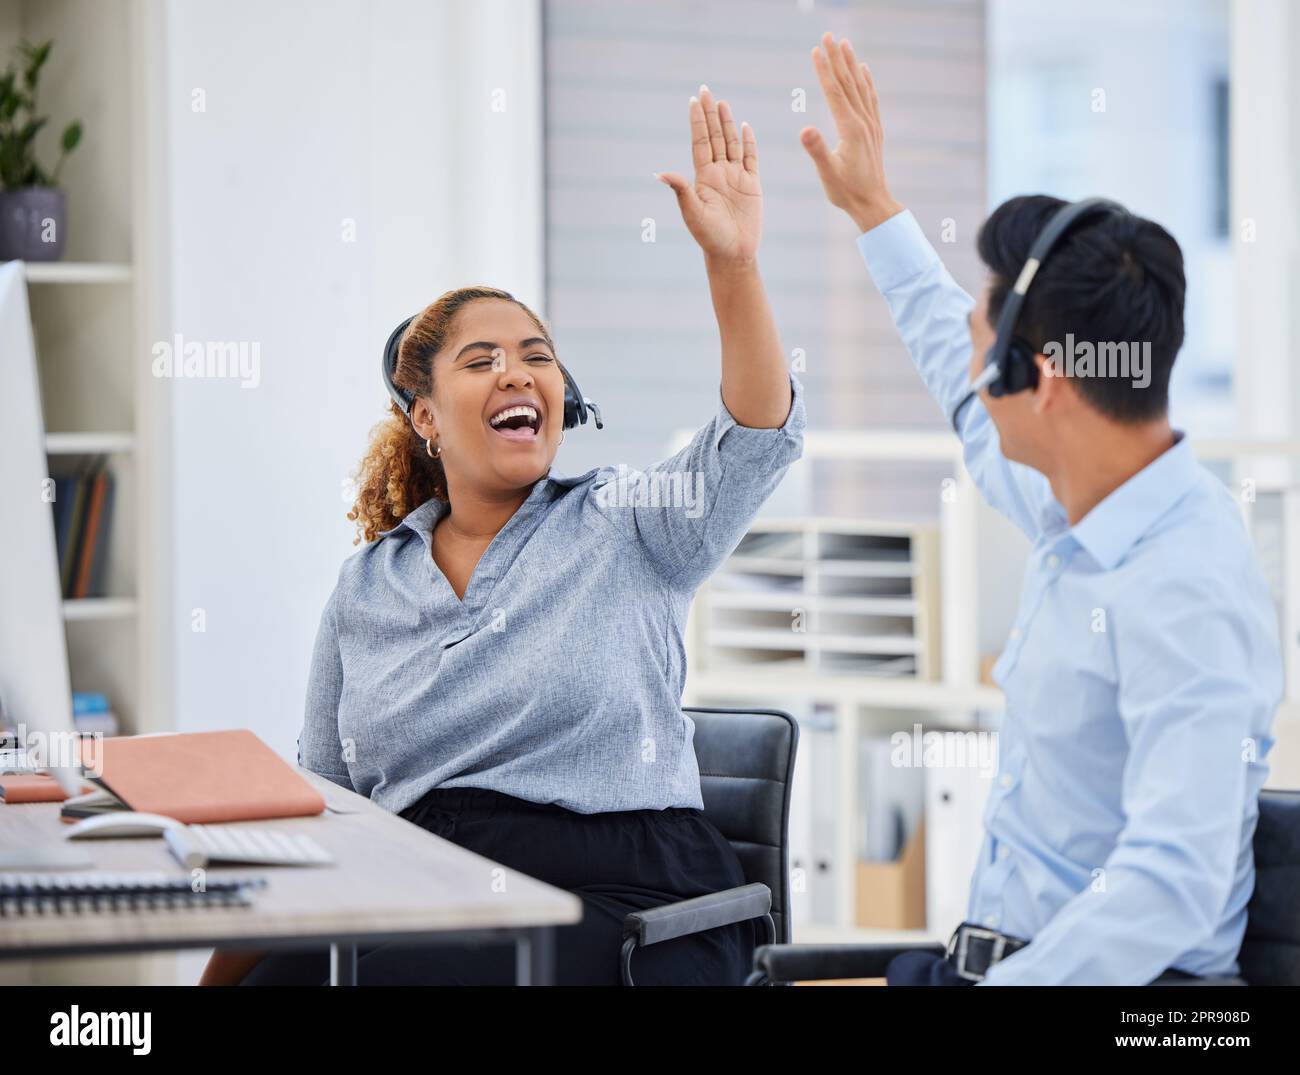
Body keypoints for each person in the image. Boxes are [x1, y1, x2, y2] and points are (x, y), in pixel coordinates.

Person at [198, 84, 804, 986]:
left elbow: (753, 437)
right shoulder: (366, 586)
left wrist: (735, 267)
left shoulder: (629, 522)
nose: (517, 372)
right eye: (480, 361)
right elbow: (322, 808)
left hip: (628, 900)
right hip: (424, 891)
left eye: (536, 356)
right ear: (427, 418)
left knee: (405, 978)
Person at [800, 32, 1281, 985]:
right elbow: (954, 363)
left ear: (1047, 382)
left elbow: (1171, 885)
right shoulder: (1075, 500)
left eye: (994, 364)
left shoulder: (1186, 583)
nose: (977, 387)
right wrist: (874, 208)